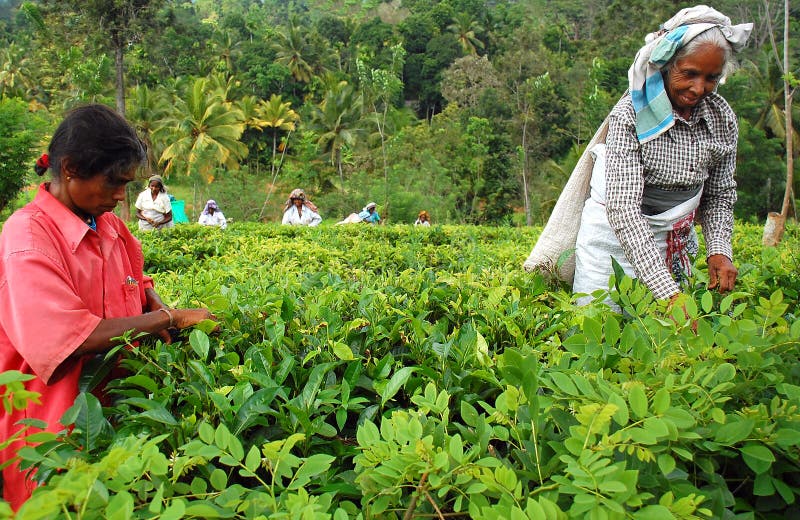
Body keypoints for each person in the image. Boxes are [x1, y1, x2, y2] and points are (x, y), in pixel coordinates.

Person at [0, 104, 217, 509]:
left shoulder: (110, 225)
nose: (121, 196)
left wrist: (152, 299)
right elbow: (68, 337)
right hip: (53, 433)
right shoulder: (27, 236)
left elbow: (134, 279)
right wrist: (168, 318)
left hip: (116, 421)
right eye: (114, 183)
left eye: (127, 184)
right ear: (69, 169)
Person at [572, 5, 751, 305]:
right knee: (600, 324)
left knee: (667, 341)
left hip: (673, 239)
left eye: (711, 77)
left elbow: (719, 194)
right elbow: (624, 210)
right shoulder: (631, 114)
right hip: (614, 239)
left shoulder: (722, 119)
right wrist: (668, 293)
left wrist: (719, 250)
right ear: (668, 64)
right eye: (690, 74)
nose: (698, 88)